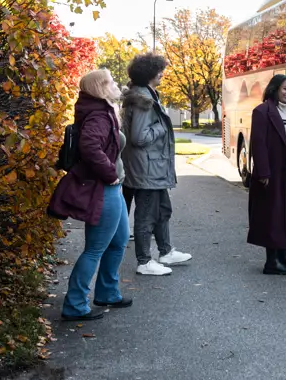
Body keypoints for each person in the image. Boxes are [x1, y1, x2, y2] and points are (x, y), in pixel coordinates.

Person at [60, 69, 133, 320]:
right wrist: (110, 174)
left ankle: (107, 293)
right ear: (101, 87)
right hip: (105, 188)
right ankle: (75, 305)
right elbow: (90, 147)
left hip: (113, 188)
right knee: (94, 249)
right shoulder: (98, 115)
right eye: (111, 81)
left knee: (119, 240)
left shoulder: (102, 110)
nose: (116, 84)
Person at [121, 53, 192, 276]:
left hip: (153, 166)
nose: (162, 74)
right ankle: (144, 261)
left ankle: (166, 251)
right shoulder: (144, 100)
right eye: (158, 70)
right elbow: (139, 137)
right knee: (146, 214)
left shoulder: (146, 95)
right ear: (148, 73)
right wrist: (162, 127)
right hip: (146, 168)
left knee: (162, 210)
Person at [247, 74, 286, 275]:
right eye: (285, 88)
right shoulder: (262, 112)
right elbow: (258, 144)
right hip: (273, 175)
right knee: (272, 216)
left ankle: (283, 254)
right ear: (274, 89)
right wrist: (263, 172)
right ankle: (272, 261)